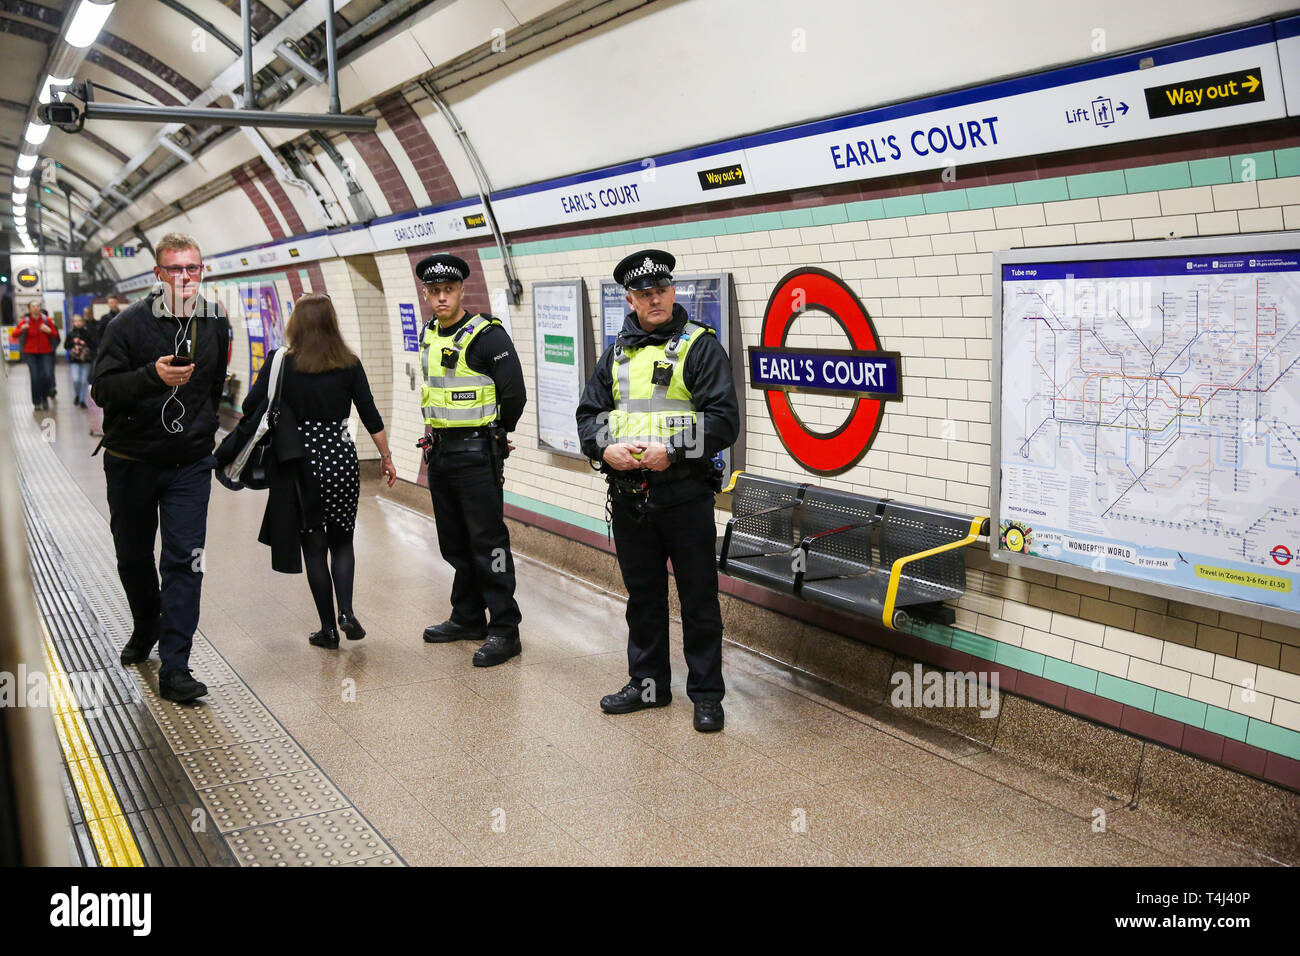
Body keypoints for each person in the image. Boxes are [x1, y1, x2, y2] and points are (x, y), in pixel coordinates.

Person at [575, 249, 740, 733]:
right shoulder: (617, 353)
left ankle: (707, 696)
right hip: (630, 497)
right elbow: (589, 416)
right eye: (644, 293)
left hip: (684, 494)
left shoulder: (701, 346)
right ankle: (648, 685)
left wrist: (673, 449)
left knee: (698, 599)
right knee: (643, 596)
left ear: (673, 291)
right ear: (630, 299)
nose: (655, 299)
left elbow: (724, 420)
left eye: (662, 290)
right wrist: (606, 450)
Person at [92, 233, 231, 703]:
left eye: (193, 268)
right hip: (131, 461)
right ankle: (145, 623)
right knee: (133, 555)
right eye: (175, 269)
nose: (186, 278)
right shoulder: (125, 326)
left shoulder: (214, 321)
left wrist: (202, 429)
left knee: (184, 560)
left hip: (189, 464)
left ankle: (176, 666)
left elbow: (214, 386)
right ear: (157, 274)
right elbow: (103, 390)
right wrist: (152, 376)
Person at [218, 293, 397, 648]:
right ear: (332, 322)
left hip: (299, 464)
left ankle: (329, 630)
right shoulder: (349, 363)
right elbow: (370, 413)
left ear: (296, 323)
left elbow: (253, 405)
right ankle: (347, 611)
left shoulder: (280, 362)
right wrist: (386, 456)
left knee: (314, 546)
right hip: (341, 458)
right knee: (342, 540)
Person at [415, 253, 527, 667]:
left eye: (449, 290)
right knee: (455, 541)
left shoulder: (487, 337)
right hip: (441, 452)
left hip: (478, 455)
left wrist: (499, 434)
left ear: (463, 290)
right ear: (426, 294)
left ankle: (504, 628)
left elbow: (513, 393)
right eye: (434, 291)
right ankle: (466, 616)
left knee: (488, 543)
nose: (442, 298)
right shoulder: (429, 333)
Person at [13, 299, 59, 409]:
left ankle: (44, 398)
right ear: (29, 309)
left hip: (46, 352)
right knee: (35, 377)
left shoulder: (46, 320)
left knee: (47, 375)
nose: (36, 308)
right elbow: (14, 334)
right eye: (33, 306)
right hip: (30, 353)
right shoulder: (25, 321)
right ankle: (37, 401)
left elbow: (55, 334)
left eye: (38, 306)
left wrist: (48, 331)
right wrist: (21, 330)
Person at [64, 311, 94, 407]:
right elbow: (66, 346)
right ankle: (77, 395)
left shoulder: (87, 333)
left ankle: (82, 400)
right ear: (73, 323)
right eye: (75, 321)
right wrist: (73, 343)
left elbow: (93, 344)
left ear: (82, 322)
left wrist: (84, 343)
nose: (77, 323)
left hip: (86, 360)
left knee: (83, 380)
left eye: (79, 321)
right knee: (76, 379)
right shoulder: (70, 334)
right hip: (74, 360)